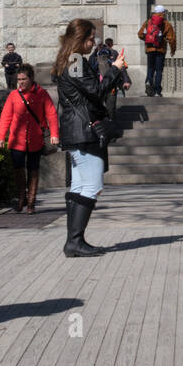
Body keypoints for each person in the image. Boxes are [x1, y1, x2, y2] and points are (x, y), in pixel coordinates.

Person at [54, 18, 127, 257]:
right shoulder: (75, 60)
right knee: (93, 186)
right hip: (84, 132)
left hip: (76, 130)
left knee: (79, 185)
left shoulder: (68, 60)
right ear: (79, 38)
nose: (93, 42)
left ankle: (74, 241)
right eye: (90, 37)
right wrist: (116, 68)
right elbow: (96, 92)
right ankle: (75, 241)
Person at [0, 63, 60, 214]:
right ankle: (21, 197)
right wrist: (1, 137)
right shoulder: (13, 95)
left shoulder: (41, 94)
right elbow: (6, 117)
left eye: (24, 79)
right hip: (16, 140)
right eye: (19, 79)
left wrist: (54, 134)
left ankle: (31, 202)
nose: (21, 82)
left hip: (35, 139)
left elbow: (51, 114)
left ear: (31, 78)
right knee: (18, 169)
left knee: (33, 170)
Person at [137, 4, 176, 97]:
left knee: (150, 68)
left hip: (150, 49)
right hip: (160, 50)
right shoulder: (166, 24)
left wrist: (148, 39)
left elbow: (140, 34)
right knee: (159, 70)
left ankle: (149, 86)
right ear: (162, 12)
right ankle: (157, 91)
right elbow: (172, 39)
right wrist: (173, 49)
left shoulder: (148, 22)